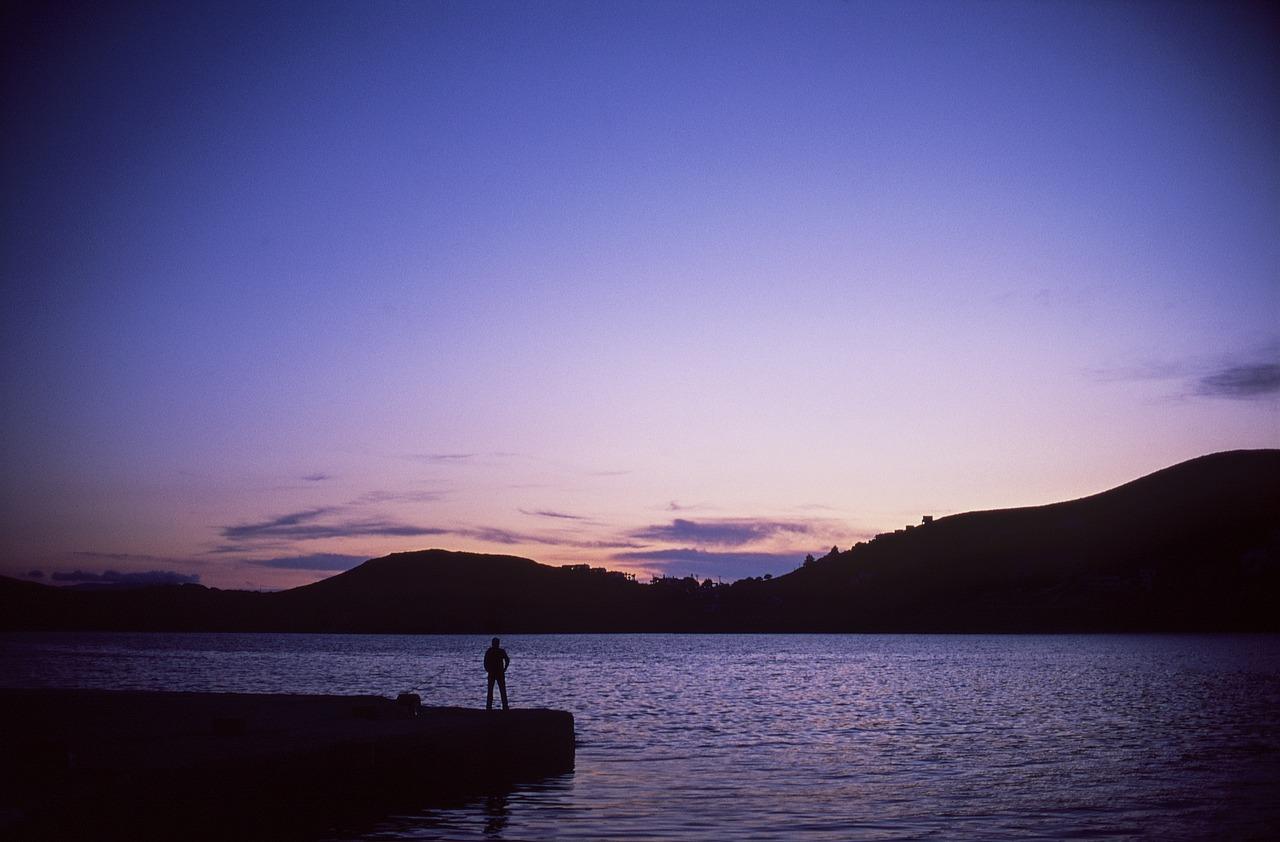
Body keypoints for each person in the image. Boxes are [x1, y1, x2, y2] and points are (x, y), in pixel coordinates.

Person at [484, 637, 510, 710]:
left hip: (496, 672)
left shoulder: (491, 651)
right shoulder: (498, 651)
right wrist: (505, 668)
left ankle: (490, 707)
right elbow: (507, 660)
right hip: (497, 673)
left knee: (495, 690)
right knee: (499, 690)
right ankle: (504, 706)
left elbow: (485, 661)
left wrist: (505, 668)